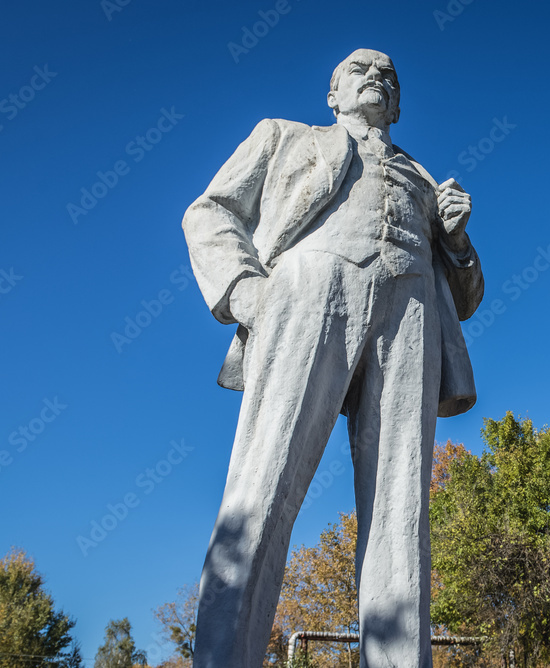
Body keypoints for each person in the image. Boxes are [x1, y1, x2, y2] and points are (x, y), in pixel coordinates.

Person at [182, 48, 484, 667]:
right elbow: (208, 212)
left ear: (398, 105)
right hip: (308, 289)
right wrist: (245, 291)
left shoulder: (426, 182)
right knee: (265, 481)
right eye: (360, 70)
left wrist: (455, 243)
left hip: (413, 311)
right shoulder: (283, 136)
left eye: (389, 76)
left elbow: (469, 298)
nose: (376, 76)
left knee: (402, 504)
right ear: (333, 95)